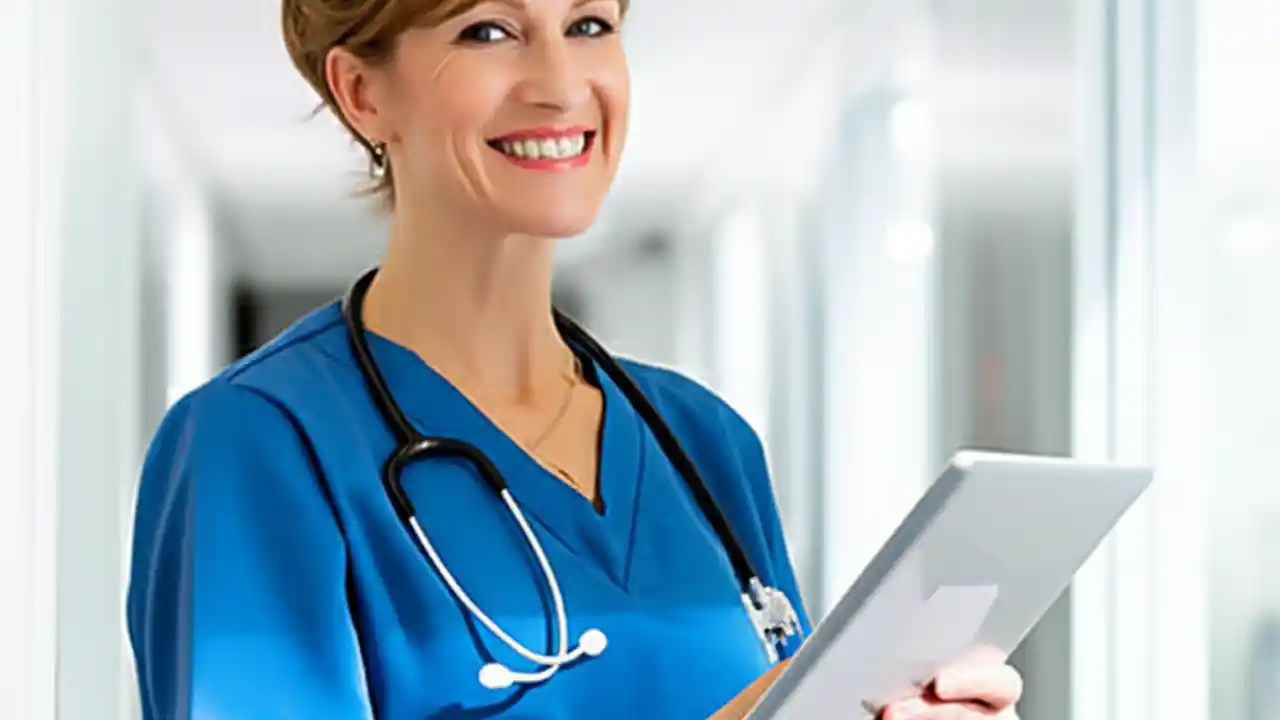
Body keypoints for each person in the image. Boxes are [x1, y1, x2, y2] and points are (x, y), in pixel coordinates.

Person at [125, 0, 1024, 717]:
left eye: (589, 24)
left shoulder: (704, 444)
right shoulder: (256, 443)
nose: (560, 84)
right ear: (363, 93)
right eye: (489, 30)